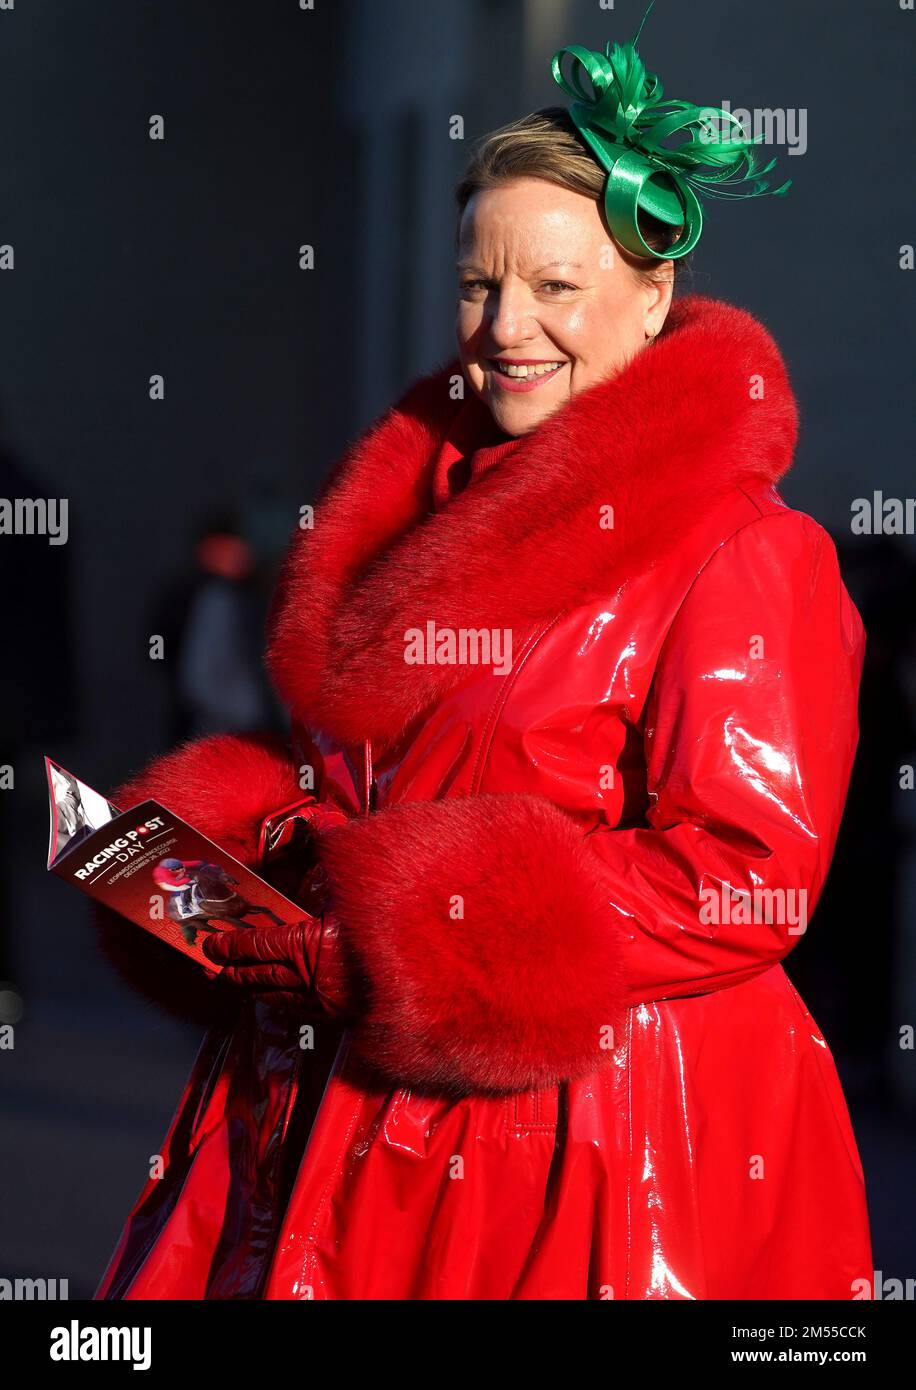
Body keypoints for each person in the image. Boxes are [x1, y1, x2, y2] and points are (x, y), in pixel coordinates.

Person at [95, 8, 872, 1301]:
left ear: (655, 295)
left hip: (596, 1142)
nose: (507, 325)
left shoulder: (739, 549)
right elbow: (368, 784)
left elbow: (744, 867)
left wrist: (418, 939)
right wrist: (234, 862)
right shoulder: (427, 509)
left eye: (556, 285)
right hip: (354, 1110)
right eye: (478, 280)